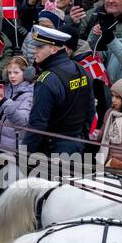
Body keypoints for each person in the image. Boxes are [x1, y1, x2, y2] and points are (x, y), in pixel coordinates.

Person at [23, 24, 93, 156]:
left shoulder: (47, 80)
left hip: (52, 151)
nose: (34, 50)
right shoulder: (81, 69)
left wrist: (21, 156)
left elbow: (37, 124)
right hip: (76, 145)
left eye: (40, 46)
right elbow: (90, 112)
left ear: (54, 49)